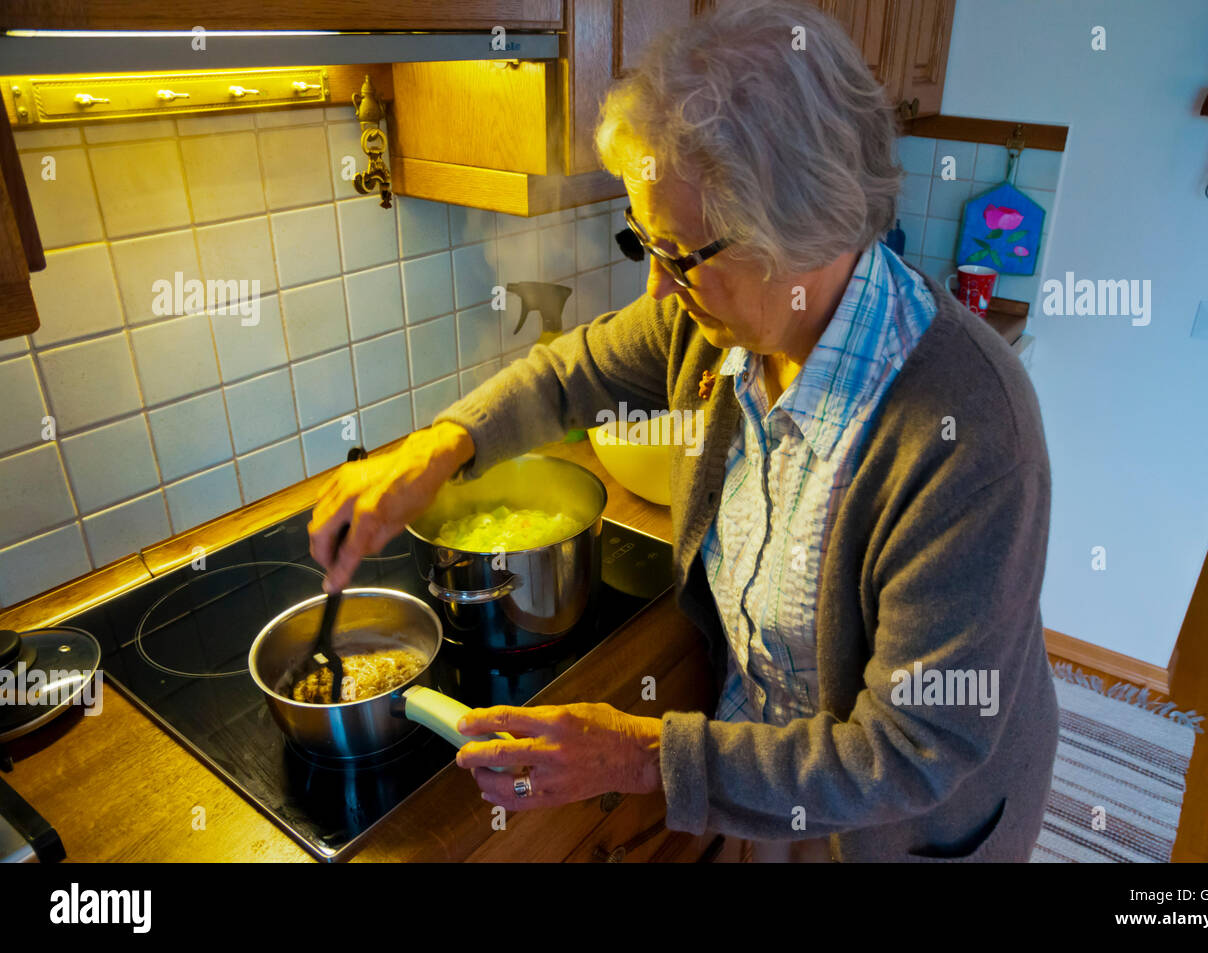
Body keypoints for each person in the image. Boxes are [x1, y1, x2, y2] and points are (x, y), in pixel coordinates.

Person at [308, 0, 1058, 862]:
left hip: (894, 827)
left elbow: (906, 753)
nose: (660, 292)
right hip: (756, 764)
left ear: (799, 234)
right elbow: (571, 372)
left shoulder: (970, 434)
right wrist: (436, 449)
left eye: (678, 254)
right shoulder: (718, 323)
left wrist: (638, 755)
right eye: (646, 245)